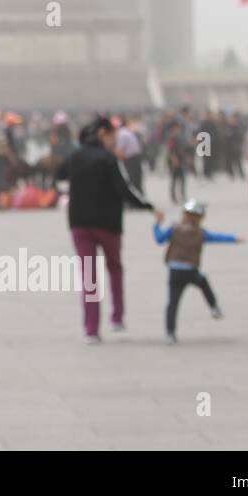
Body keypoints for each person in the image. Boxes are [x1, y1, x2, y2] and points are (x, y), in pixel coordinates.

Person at [56, 117, 163, 343]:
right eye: (113, 135)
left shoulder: (76, 155)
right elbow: (124, 190)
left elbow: (60, 174)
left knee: (89, 277)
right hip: (108, 224)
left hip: (80, 223)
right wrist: (147, 206)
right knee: (114, 268)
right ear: (104, 133)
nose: (115, 140)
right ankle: (116, 317)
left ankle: (91, 330)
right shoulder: (107, 158)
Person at [152, 199, 243, 344]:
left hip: (175, 271)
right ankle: (214, 307)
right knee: (203, 283)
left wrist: (156, 224)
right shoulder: (200, 233)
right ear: (200, 218)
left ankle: (170, 333)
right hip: (191, 271)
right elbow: (217, 238)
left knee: (172, 303)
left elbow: (159, 239)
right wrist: (234, 238)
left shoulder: (173, 229)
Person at [114, 116, 144, 196]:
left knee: (131, 178)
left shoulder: (121, 134)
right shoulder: (127, 132)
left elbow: (120, 150)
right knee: (137, 177)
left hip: (130, 159)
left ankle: (134, 197)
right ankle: (140, 195)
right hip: (136, 157)